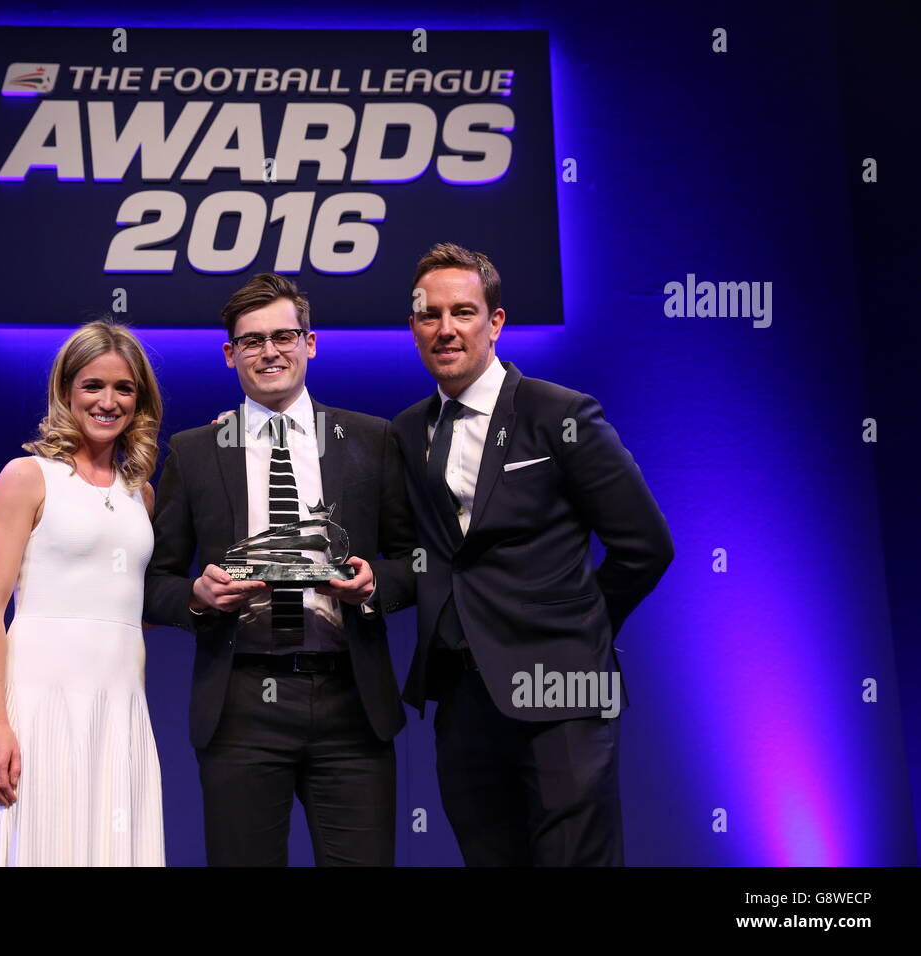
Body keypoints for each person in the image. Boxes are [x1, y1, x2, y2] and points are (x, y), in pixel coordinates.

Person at [393, 242, 674, 866]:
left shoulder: (561, 413)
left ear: (495, 322)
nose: (445, 329)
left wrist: (581, 631)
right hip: (463, 700)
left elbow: (645, 545)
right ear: (413, 327)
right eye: (429, 315)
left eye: (462, 312)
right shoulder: (407, 431)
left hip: (562, 690)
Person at [144, 273, 417, 866]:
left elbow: (413, 562)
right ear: (229, 354)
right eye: (252, 340)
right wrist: (196, 594)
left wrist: (375, 586)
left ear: (310, 343)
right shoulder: (194, 452)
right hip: (240, 704)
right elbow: (152, 583)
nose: (270, 351)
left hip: (352, 703)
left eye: (284, 335)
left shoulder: (372, 439)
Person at [0, 319, 166, 866]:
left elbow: (128, 607)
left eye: (123, 388)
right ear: (66, 391)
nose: (108, 401)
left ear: (140, 399)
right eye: (93, 386)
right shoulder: (27, 477)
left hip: (120, 714)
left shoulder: (140, 495)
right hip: (36, 711)